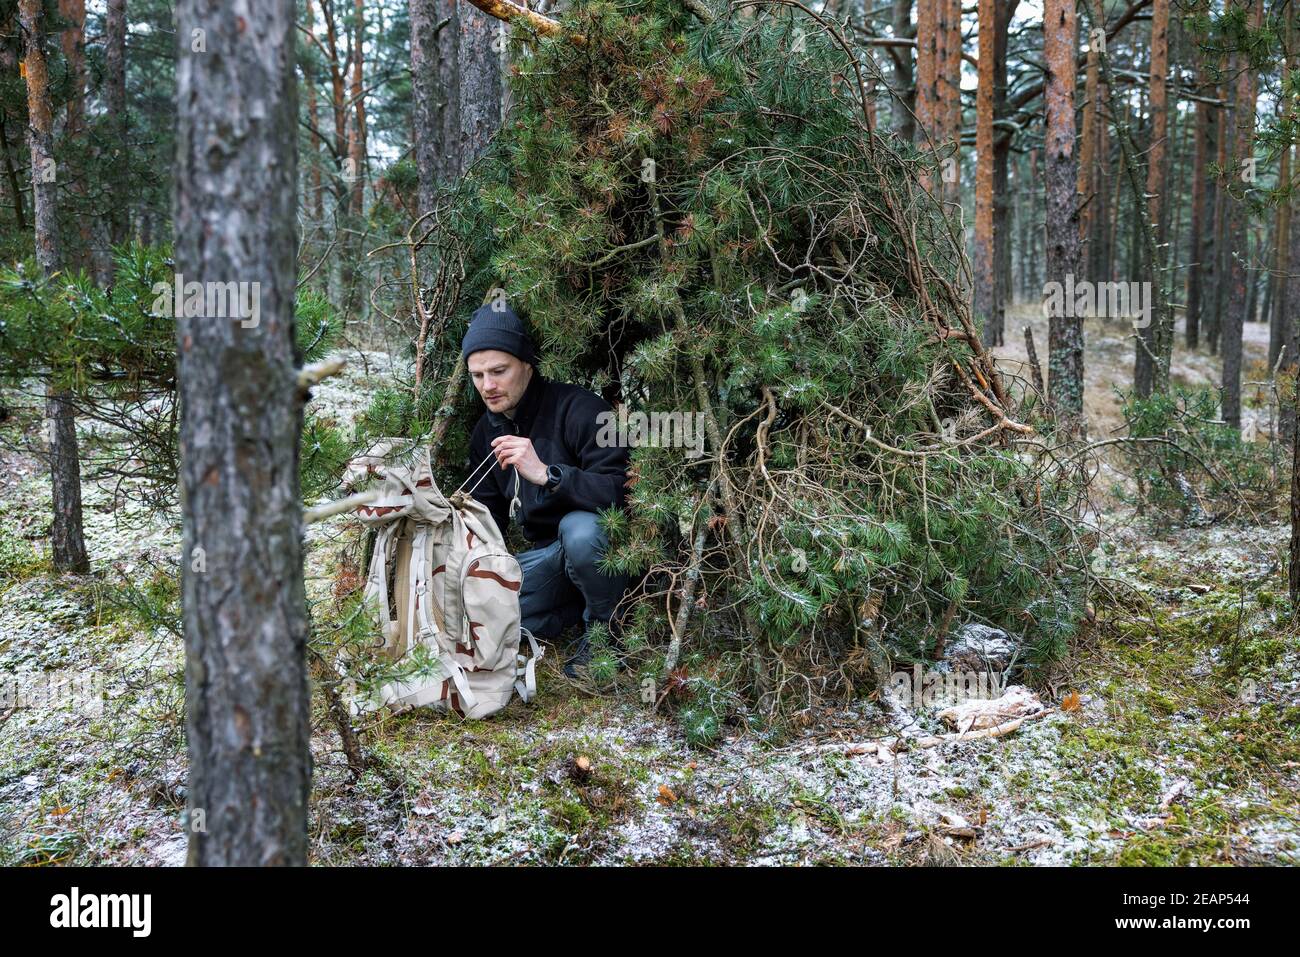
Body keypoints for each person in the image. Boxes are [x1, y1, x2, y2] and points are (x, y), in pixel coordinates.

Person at [461, 299, 629, 678]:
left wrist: (549, 474)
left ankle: (607, 637)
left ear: (527, 364)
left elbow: (623, 493)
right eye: (477, 375)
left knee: (582, 530)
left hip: (603, 551)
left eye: (499, 371)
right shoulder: (486, 431)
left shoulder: (581, 409)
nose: (488, 386)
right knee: (479, 611)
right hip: (548, 561)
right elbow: (485, 520)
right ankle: (570, 612)